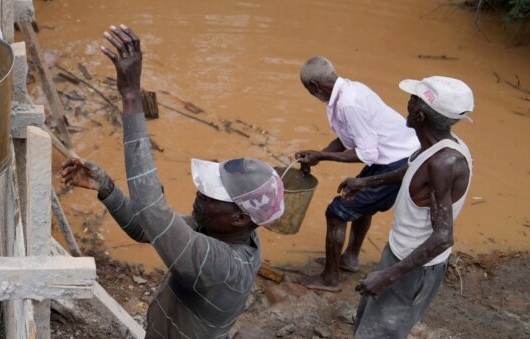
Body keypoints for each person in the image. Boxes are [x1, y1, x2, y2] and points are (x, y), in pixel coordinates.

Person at [62, 25, 285, 338]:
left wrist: (131, 95)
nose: (200, 193)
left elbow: (151, 211)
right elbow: (146, 228)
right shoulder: (221, 230)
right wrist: (106, 187)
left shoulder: (222, 266)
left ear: (239, 217)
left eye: (211, 194)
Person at [344, 76, 474, 338]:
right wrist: (365, 182)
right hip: (400, 253)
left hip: (414, 267)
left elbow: (443, 237)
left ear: (420, 115)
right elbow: (413, 172)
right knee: (367, 323)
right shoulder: (438, 146)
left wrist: (387, 276)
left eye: (413, 100)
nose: (408, 103)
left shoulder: (443, 163)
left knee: (379, 334)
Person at [293, 56, 420, 292]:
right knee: (362, 206)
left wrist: (323, 156)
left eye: (308, 90)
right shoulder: (349, 91)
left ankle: (330, 279)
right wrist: (319, 154)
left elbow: (367, 153)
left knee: (337, 212)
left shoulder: (348, 104)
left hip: (399, 162)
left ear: (314, 86)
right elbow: (347, 138)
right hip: (393, 155)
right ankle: (350, 258)